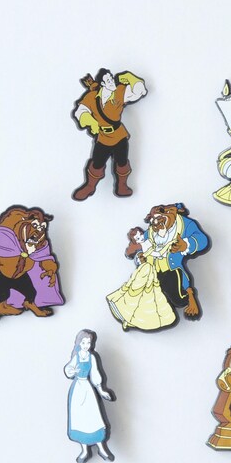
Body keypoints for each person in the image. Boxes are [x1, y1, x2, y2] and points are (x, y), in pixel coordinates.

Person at [72, 68, 147, 200]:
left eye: (111, 78)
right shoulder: (91, 97)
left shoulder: (119, 92)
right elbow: (80, 111)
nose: (112, 81)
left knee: (122, 162)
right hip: (102, 137)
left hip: (119, 136)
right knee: (97, 163)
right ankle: (89, 186)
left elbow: (140, 91)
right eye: (108, 80)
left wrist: (130, 78)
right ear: (102, 84)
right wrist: (89, 120)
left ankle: (122, 186)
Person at [107, 228, 177, 331]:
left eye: (141, 235)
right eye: (138, 238)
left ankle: (132, 321)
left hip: (151, 276)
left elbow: (159, 253)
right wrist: (168, 245)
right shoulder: (145, 249)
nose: (141, 238)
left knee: (147, 302)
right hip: (144, 275)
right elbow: (157, 253)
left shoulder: (150, 241)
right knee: (137, 299)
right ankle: (128, 319)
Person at [64, 330, 114, 463]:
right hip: (77, 391)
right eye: (84, 342)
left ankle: (102, 448)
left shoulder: (92, 357)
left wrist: (101, 390)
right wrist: (72, 371)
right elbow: (68, 370)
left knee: (93, 416)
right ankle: (85, 450)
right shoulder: (76, 357)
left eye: (88, 343)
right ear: (79, 343)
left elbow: (96, 374)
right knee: (80, 418)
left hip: (88, 388)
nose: (86, 345)